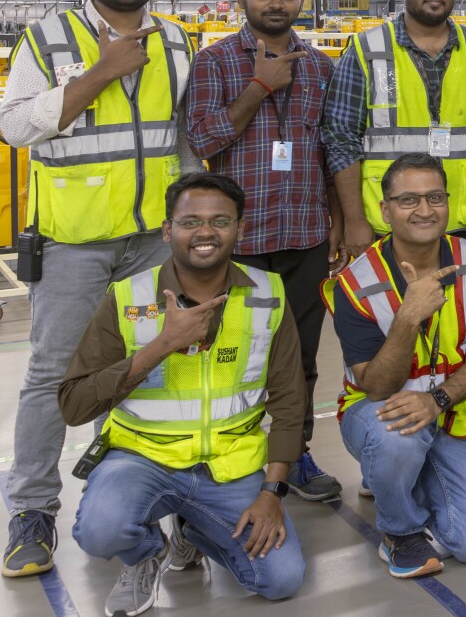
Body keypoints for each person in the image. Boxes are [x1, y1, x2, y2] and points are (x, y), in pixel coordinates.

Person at [0, 0, 199, 578]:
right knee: (55, 372)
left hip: (150, 240)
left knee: (149, 366)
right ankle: (31, 509)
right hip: (72, 242)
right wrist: (101, 73)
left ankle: (144, 498)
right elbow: (15, 124)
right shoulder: (49, 37)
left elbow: (181, 135)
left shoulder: (173, 38)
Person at [58, 173, 306, 614]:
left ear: (240, 229)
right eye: (190, 221)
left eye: (220, 221)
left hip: (231, 465)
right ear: (167, 230)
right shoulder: (126, 297)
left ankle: (193, 530)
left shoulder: (269, 293)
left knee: (281, 580)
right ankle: (147, 552)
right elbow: (75, 404)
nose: (206, 232)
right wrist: (162, 345)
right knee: (100, 531)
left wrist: (273, 492)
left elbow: (289, 397)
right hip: (142, 457)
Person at [185, 0, 341, 503]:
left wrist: (339, 222)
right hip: (238, 243)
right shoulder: (215, 62)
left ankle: (294, 456)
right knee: (232, 355)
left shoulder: (324, 67)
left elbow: (333, 152)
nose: (277, 3)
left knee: (299, 358)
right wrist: (259, 87)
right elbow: (204, 141)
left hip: (304, 233)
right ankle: (231, 458)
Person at [325, 153, 466, 579]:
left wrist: (437, 400)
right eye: (408, 200)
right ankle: (399, 529)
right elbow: (375, 386)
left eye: (435, 197)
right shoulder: (355, 283)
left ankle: (399, 480)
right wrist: (407, 317)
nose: (424, 210)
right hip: (379, 411)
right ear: (385, 210)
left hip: (450, 410)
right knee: (396, 441)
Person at [323, 0, 466, 265]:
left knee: (461, 311)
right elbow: (340, 139)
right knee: (394, 313)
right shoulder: (367, 49)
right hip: (389, 219)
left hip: (465, 216)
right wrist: (354, 220)